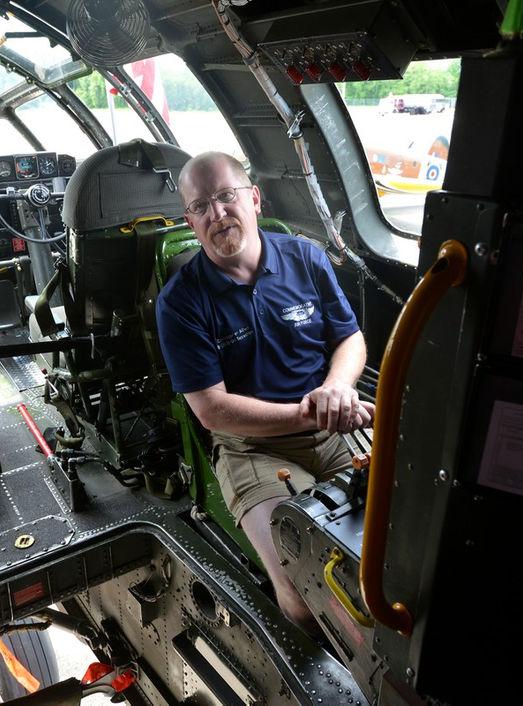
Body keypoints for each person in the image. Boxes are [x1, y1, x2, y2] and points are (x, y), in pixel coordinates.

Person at [155, 151, 372, 629]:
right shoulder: (180, 303)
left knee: (395, 540)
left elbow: (349, 338)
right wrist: (312, 412)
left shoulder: (306, 258)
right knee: (301, 584)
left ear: (253, 198)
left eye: (226, 196)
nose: (217, 214)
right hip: (252, 447)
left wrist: (337, 387)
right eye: (200, 206)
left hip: (333, 428)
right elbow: (213, 410)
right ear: (190, 221)